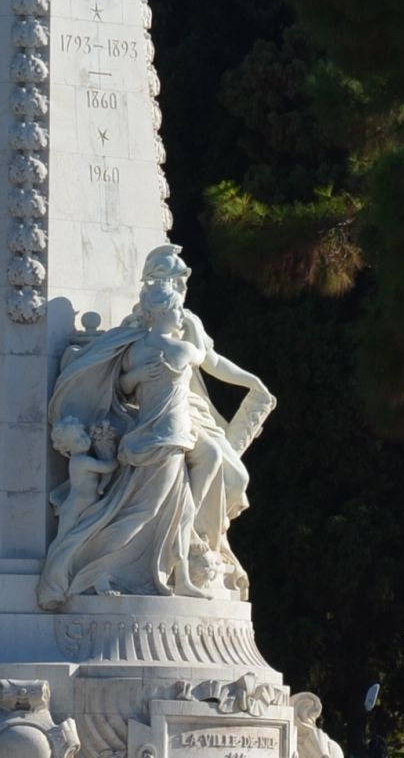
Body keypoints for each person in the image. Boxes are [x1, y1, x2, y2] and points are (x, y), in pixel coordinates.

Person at [38, 247, 275, 604]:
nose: (179, 290)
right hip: (165, 437)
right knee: (151, 510)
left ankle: (193, 556)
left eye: (178, 279)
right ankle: (97, 566)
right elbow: (204, 360)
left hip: (171, 432)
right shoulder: (173, 344)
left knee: (203, 480)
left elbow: (190, 364)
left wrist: (250, 382)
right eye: (168, 280)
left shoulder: (155, 340)